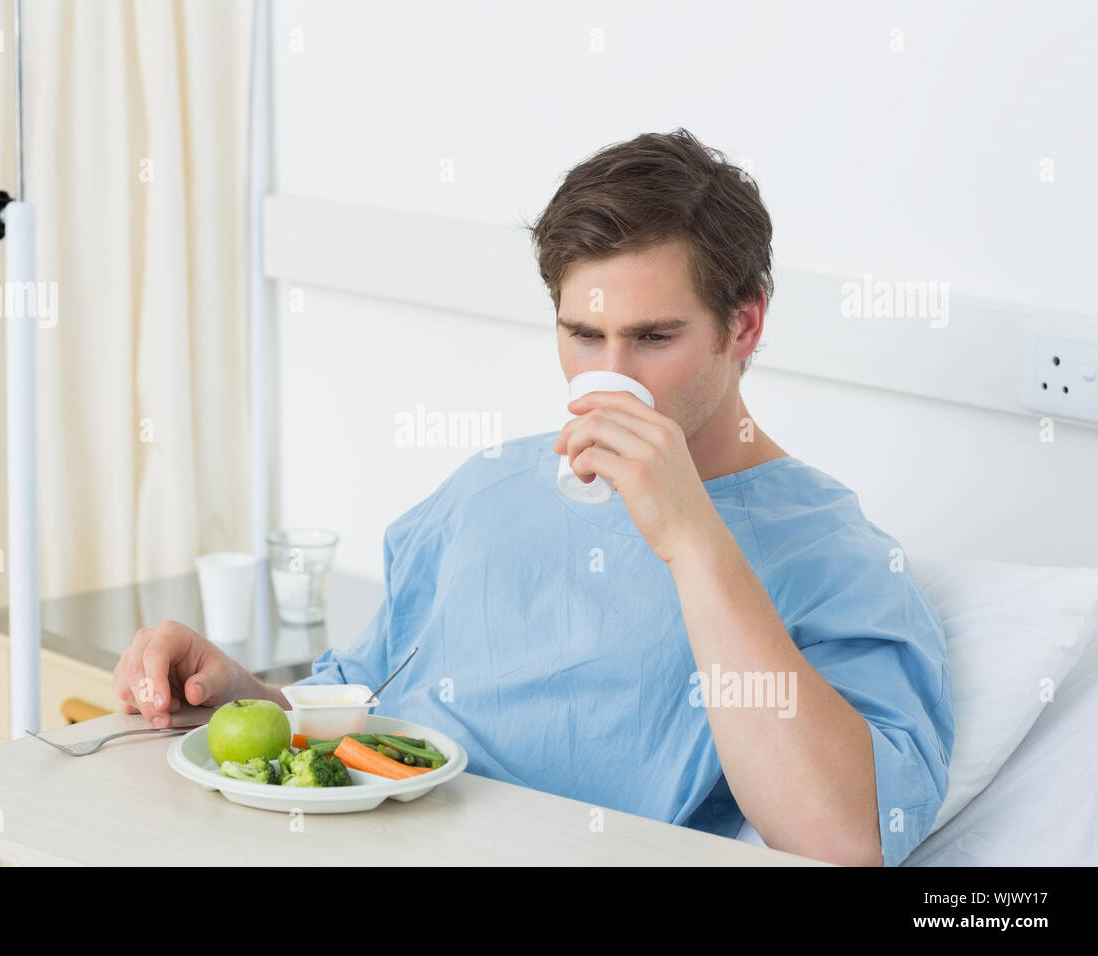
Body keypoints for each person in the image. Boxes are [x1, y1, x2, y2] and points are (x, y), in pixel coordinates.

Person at [113, 129, 953, 867]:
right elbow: (364, 726)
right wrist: (235, 700)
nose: (610, 373)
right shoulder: (489, 488)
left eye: (655, 338)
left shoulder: (832, 552)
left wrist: (693, 538)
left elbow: (845, 840)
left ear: (745, 326)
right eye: (583, 334)